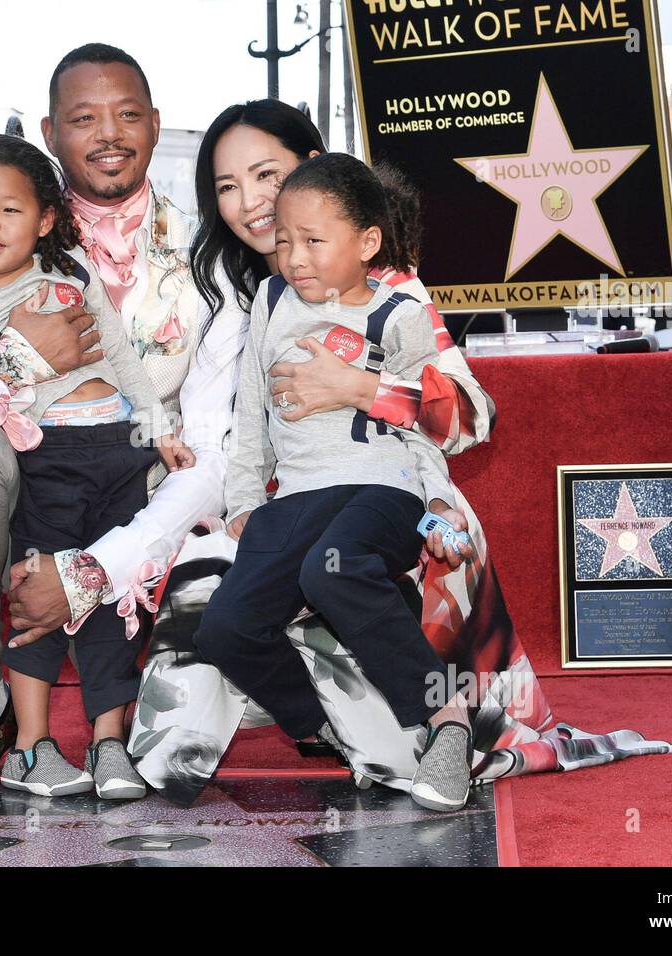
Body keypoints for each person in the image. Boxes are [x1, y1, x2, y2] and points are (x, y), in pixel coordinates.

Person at [0, 43, 224, 793]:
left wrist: (103, 565)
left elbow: (213, 442)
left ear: (156, 126)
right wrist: (14, 359)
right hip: (18, 495)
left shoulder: (206, 252)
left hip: (144, 497)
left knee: (180, 746)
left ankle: (115, 731)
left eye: (127, 115)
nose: (109, 135)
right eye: (84, 118)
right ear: (50, 130)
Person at [190, 153, 477, 812]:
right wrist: (241, 500)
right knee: (225, 628)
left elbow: (426, 422)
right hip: (296, 495)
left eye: (315, 241)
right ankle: (331, 726)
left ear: (367, 243)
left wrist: (436, 498)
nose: (296, 257)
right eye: (284, 240)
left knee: (332, 570)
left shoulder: (399, 308)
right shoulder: (268, 301)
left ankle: (448, 723)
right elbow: (251, 412)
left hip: (385, 487)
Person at [0, 133, 194, 797]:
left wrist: (158, 425)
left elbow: (125, 357)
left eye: (11, 210)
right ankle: (31, 747)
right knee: (38, 594)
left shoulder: (71, 274)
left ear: (45, 220)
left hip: (117, 448)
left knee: (108, 598)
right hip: (47, 458)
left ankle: (108, 743)